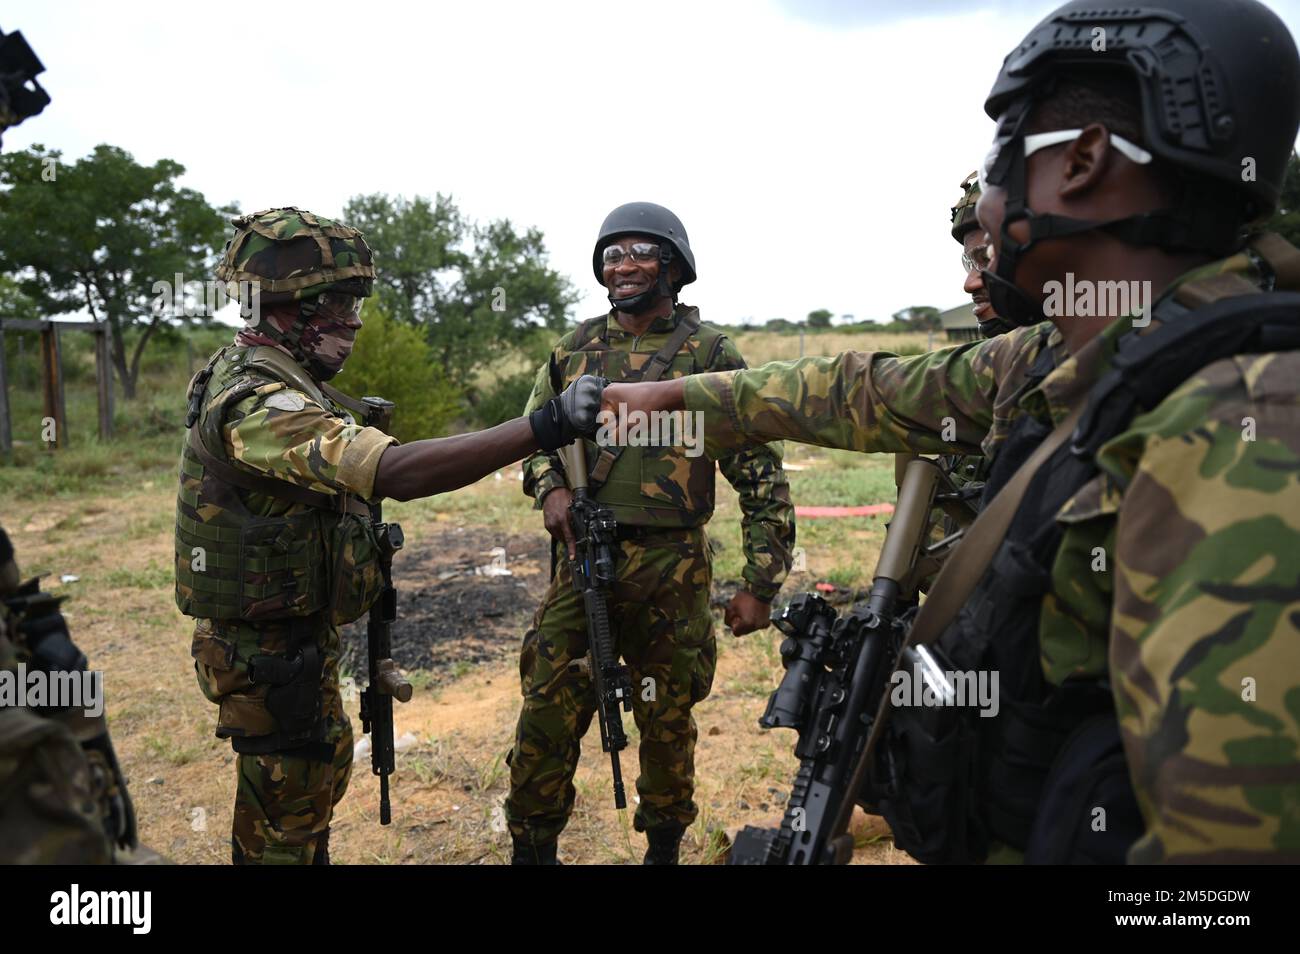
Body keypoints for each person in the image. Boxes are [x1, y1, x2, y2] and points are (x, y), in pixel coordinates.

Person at [601, 0, 1300, 863]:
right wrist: (675, 396)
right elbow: (867, 389)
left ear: (1081, 165)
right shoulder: (1065, 351)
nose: (987, 205)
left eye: (1001, 155)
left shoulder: (1245, 428)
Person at [176, 207, 603, 864]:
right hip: (263, 653)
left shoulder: (285, 377)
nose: (353, 321)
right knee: (283, 819)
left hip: (292, 638)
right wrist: (542, 427)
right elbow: (392, 472)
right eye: (339, 305)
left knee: (313, 784)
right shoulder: (257, 399)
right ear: (290, 307)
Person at [505, 202, 795, 864]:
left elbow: (759, 475)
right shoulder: (574, 350)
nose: (623, 267)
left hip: (675, 568)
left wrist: (760, 584)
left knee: (666, 718)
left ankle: (663, 846)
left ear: (673, 265)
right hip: (584, 558)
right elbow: (533, 436)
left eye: (639, 253)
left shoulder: (712, 353)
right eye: (611, 255)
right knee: (547, 704)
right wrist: (550, 490)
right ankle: (532, 847)